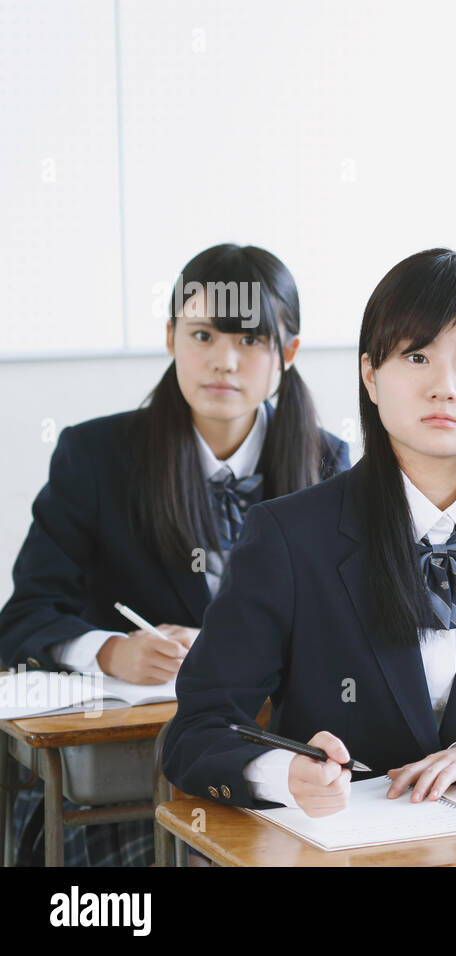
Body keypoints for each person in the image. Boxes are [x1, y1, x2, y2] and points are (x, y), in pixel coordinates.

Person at [162, 249, 456, 818]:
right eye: (416, 356)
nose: (444, 387)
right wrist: (284, 773)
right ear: (371, 375)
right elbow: (197, 730)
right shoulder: (288, 536)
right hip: (343, 850)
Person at [0, 243, 349, 865]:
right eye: (204, 334)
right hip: (121, 777)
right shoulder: (95, 457)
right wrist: (110, 651)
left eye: (250, 341)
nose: (223, 361)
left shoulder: (328, 466)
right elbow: (26, 615)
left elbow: (351, 629)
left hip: (281, 766)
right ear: (170, 338)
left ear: (288, 354)